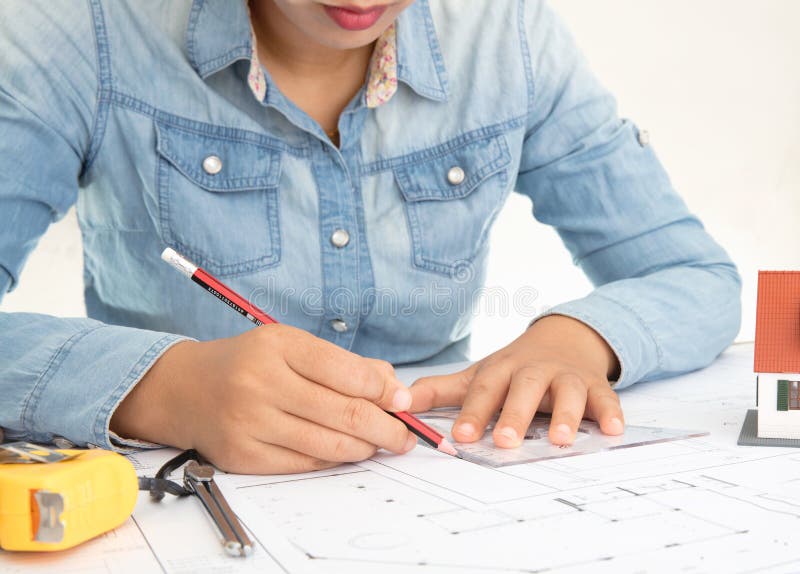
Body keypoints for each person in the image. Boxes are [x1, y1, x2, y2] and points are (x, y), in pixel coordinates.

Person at [0, 0, 740, 474]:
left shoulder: (507, 32)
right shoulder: (81, 32)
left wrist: (580, 339)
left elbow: (696, 275)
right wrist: (161, 388)